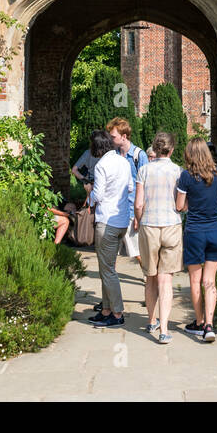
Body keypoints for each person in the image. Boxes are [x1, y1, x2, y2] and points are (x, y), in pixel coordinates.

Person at [134, 131, 183, 343]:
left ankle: (151, 320)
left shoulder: (144, 170)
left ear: (155, 148)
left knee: (150, 277)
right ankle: (164, 329)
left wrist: (139, 219)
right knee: (166, 280)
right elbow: (180, 203)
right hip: (171, 224)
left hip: (149, 225)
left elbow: (138, 204)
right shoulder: (178, 171)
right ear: (171, 150)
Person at [177, 138, 217, 342]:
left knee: (195, 280)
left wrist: (192, 203)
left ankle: (198, 323)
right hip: (216, 230)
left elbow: (180, 206)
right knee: (210, 281)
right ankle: (209, 325)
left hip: (195, 232)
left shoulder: (186, 177)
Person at [87, 129, 132, 327]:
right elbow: (130, 187)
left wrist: (88, 195)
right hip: (122, 220)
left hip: (106, 221)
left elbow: (98, 195)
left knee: (108, 270)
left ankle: (117, 313)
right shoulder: (123, 161)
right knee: (106, 268)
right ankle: (106, 310)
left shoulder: (101, 165)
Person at [106, 117, 148, 263]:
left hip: (132, 210)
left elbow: (145, 187)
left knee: (137, 250)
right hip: (115, 211)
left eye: (113, 136)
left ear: (124, 137)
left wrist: (139, 215)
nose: (110, 139)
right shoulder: (113, 155)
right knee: (109, 253)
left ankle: (149, 276)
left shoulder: (139, 156)